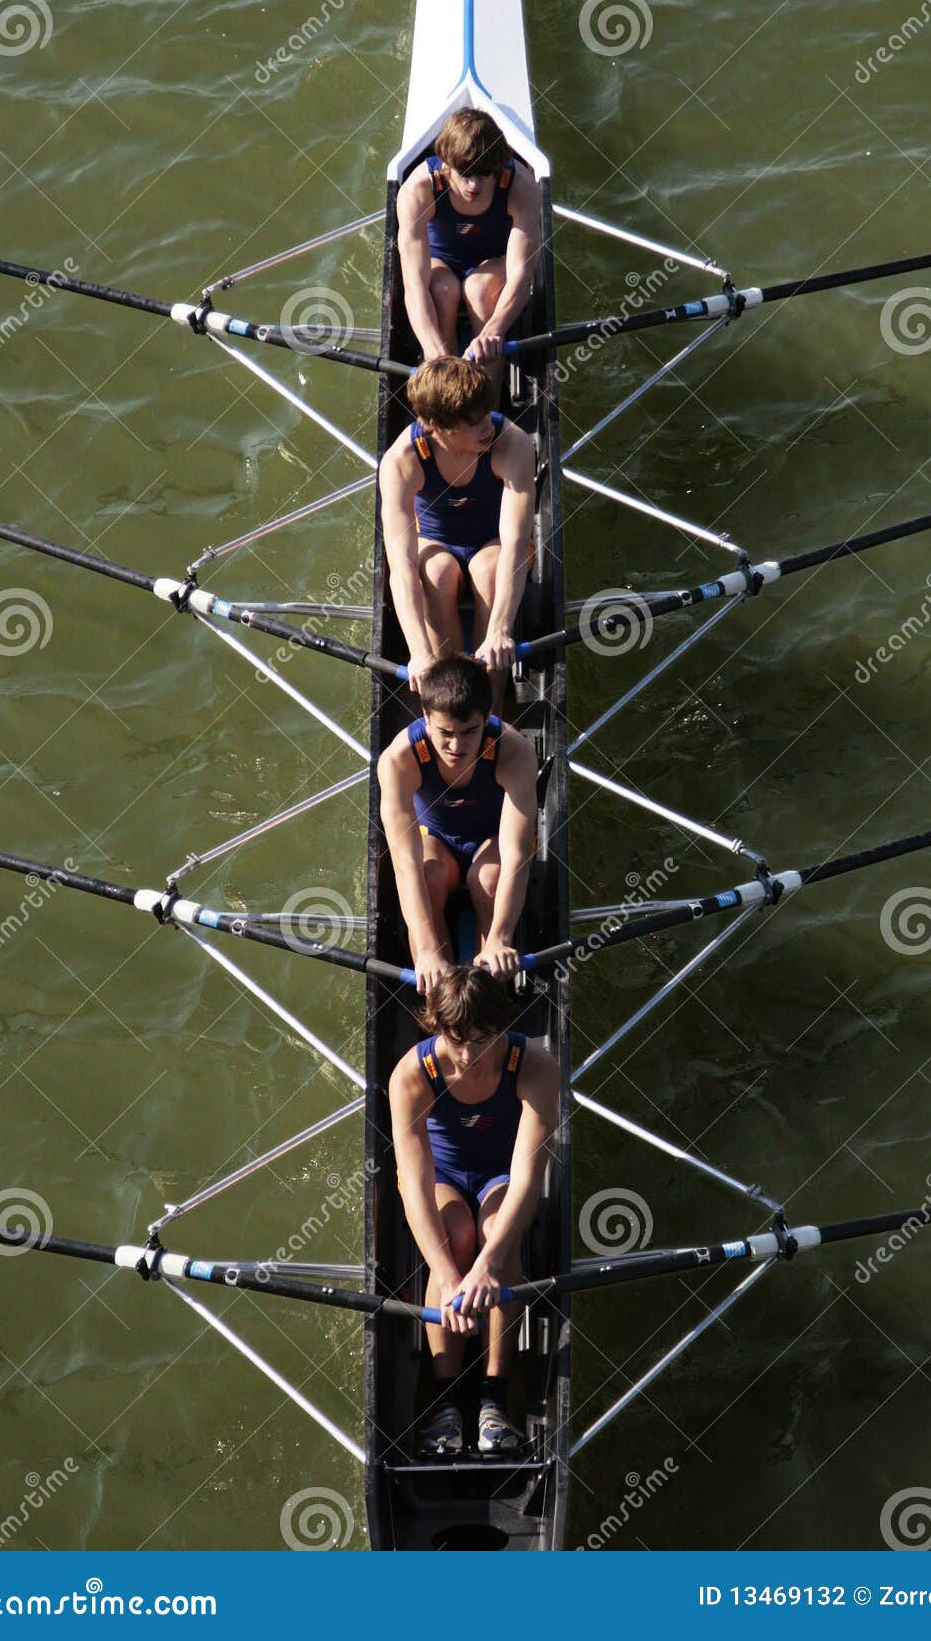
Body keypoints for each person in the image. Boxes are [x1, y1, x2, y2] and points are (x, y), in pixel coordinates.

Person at [388, 964, 560, 1456]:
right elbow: (415, 1187)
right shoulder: (411, 1074)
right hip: (443, 1180)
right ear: (437, 1029)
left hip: (502, 1176)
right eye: (456, 1040)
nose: (468, 1055)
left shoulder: (535, 1066)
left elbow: (528, 1178)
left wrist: (485, 1267)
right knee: (454, 1232)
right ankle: (445, 1400)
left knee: (496, 1239)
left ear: (505, 1026)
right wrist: (447, 1273)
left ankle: (493, 1397)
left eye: (483, 1039)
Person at [378, 356, 534, 705]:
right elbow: (400, 571)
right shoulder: (401, 460)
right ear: (436, 425)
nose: (487, 427)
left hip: (492, 544)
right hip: (437, 543)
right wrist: (418, 654)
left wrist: (500, 629)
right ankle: (448, 692)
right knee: (434, 573)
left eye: (486, 414)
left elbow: (515, 544)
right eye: (473, 422)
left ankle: (489, 705)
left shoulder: (512, 443)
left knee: (489, 570)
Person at [377, 654, 536, 995]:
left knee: (489, 878)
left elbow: (516, 854)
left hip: (490, 839)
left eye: (469, 732)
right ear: (425, 716)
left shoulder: (514, 751)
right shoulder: (398, 759)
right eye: (445, 732)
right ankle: (444, 991)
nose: (456, 746)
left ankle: (487, 985)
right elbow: (404, 864)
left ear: (487, 716)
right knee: (428, 872)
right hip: (435, 838)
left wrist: (500, 938)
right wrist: (425, 951)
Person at [397, 107, 541, 395]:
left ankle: (486, 399)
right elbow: (414, 286)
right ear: (447, 163)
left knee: (479, 289)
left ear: (498, 166)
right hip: (441, 262)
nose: (475, 184)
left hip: (494, 265)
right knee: (442, 290)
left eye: (485, 173)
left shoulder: (520, 185)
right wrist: (433, 350)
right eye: (467, 173)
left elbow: (521, 276)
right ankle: (446, 382)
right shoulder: (419, 188)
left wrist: (493, 332)